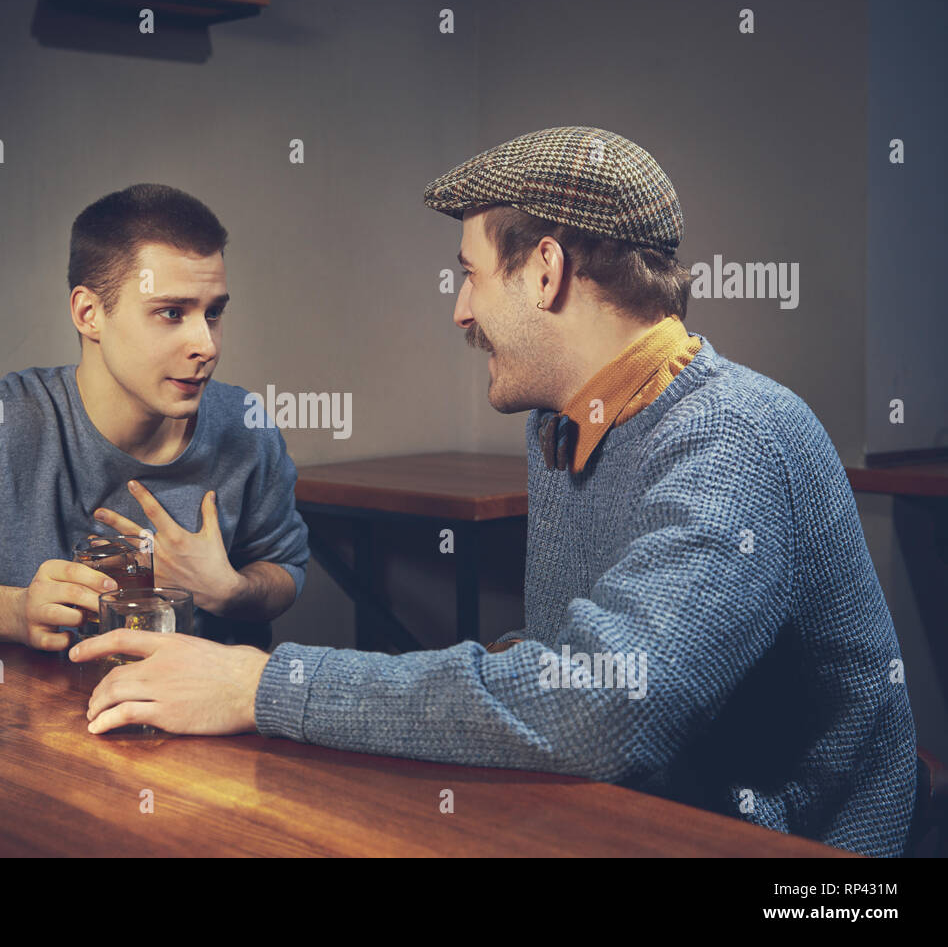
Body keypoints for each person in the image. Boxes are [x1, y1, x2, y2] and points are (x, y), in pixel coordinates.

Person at [72, 127, 918, 858]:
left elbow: (604, 708)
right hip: (632, 814)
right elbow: (550, 661)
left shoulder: (734, 436)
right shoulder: (564, 420)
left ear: (544, 270)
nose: (460, 311)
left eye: (469, 274)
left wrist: (260, 687)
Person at [0, 184, 309, 650]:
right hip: (30, 715)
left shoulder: (245, 426)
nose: (206, 345)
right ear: (89, 313)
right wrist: (11, 611)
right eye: (170, 312)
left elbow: (283, 568)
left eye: (213, 313)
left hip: (205, 716)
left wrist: (230, 592)